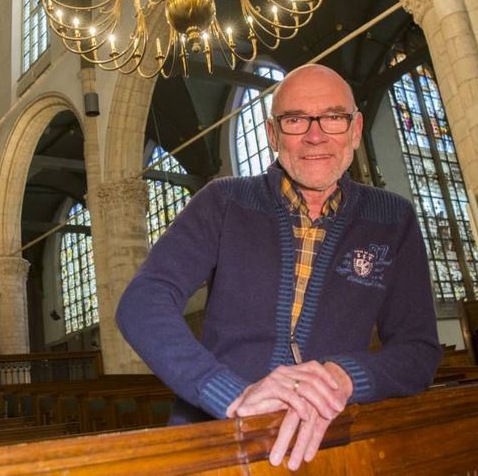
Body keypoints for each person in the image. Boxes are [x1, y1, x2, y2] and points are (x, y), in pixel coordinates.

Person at [117, 64, 441, 471]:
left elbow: (418, 351)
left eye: (334, 117)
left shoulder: (393, 218)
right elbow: (142, 302)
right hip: (217, 440)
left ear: (355, 130)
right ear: (273, 134)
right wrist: (229, 394)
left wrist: (345, 377)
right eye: (294, 120)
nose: (315, 135)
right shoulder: (224, 202)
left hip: (330, 444)